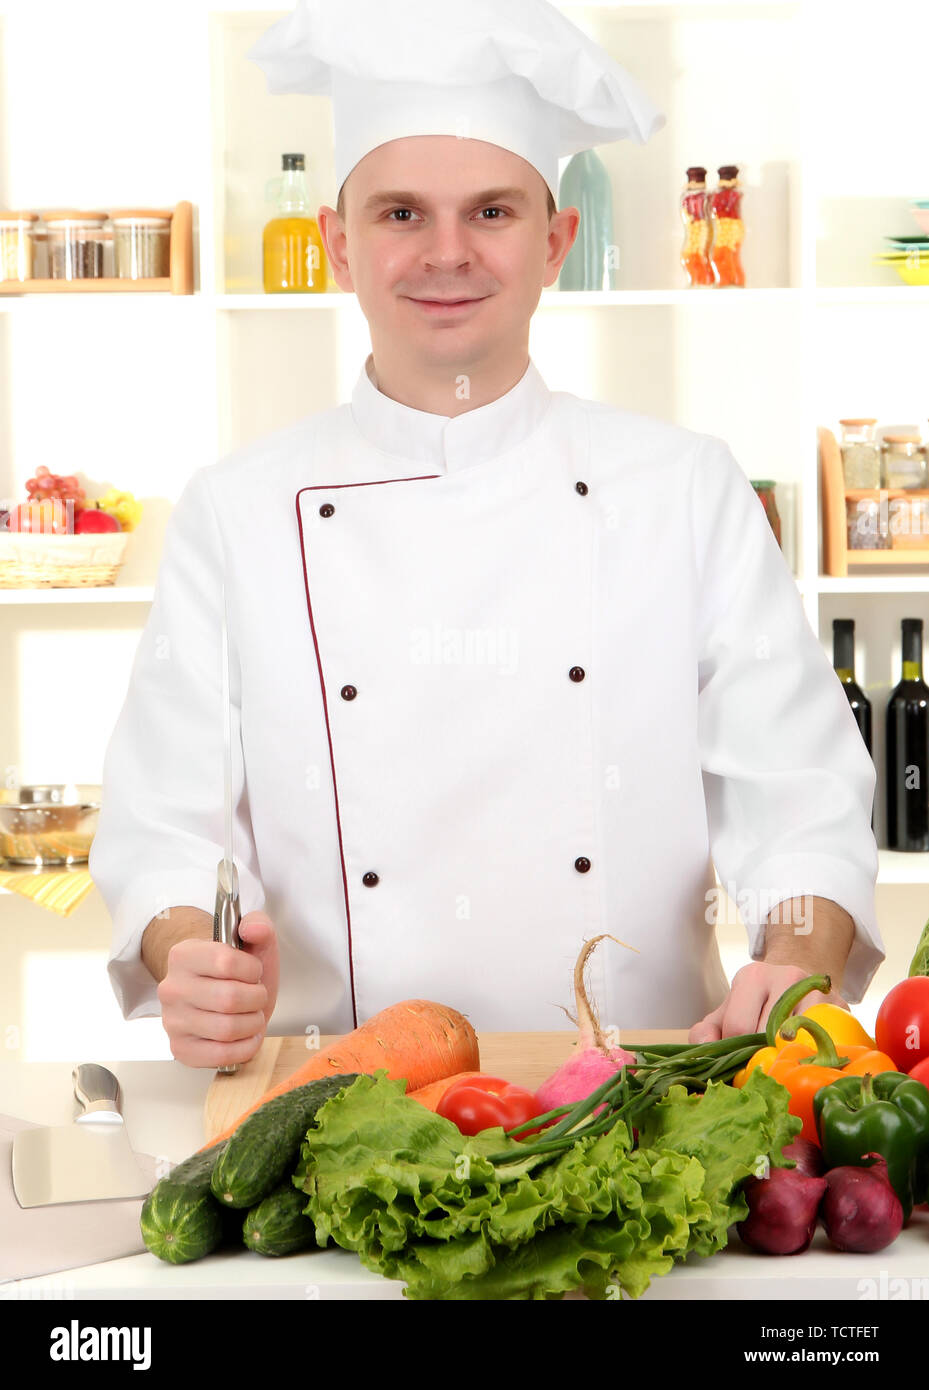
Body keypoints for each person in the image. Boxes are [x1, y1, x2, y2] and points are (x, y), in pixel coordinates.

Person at [89, 0, 883, 1070]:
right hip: (331, 1103)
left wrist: (795, 953)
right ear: (336, 242)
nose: (446, 253)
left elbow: (797, 798)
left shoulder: (682, 489)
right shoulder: (237, 511)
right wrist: (191, 952)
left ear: (555, 241)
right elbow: (164, 829)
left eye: (493, 213)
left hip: (634, 1100)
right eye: (401, 213)